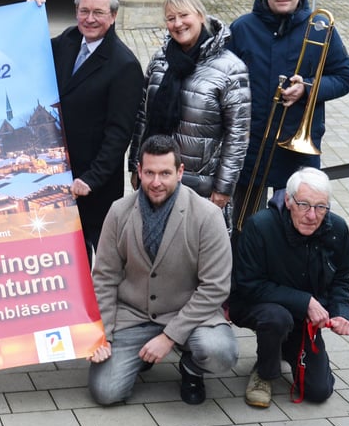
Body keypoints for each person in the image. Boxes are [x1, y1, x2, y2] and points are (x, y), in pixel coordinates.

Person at [88, 135, 237, 406]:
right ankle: (139, 357)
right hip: (133, 315)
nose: (156, 182)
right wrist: (101, 336)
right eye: (150, 173)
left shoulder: (207, 216)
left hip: (188, 313)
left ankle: (192, 369)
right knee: (105, 392)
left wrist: (169, 337)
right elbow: (105, 277)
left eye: (165, 173)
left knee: (220, 352)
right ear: (139, 172)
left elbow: (215, 287)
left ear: (180, 172)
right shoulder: (119, 211)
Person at [228, 0, 349, 221]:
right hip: (250, 145)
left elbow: (345, 77)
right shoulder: (242, 28)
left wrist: (308, 88)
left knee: (293, 225)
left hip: (297, 149)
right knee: (243, 224)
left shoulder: (321, 29)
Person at [30, 0, 143, 260]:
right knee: (56, 254)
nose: (90, 19)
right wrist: (29, 13)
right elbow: (28, 51)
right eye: (84, 11)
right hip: (57, 174)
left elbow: (119, 134)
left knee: (94, 260)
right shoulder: (68, 40)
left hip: (92, 185)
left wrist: (91, 178)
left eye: (98, 12)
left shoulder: (124, 65)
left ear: (113, 16)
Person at [228, 167, 349, 408]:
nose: (312, 215)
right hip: (256, 306)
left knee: (319, 391)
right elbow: (248, 285)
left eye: (320, 207)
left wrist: (341, 313)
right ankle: (265, 373)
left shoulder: (337, 229)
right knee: (277, 318)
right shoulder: (259, 226)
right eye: (303, 204)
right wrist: (305, 301)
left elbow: (341, 279)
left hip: (303, 321)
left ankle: (285, 348)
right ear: (288, 200)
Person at [128, 0, 251, 217]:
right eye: (170, 18)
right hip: (155, 180)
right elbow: (143, 116)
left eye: (184, 15)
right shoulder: (160, 60)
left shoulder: (230, 68)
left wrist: (224, 187)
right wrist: (136, 164)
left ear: (201, 16)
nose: (178, 23)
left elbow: (238, 134)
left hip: (201, 185)